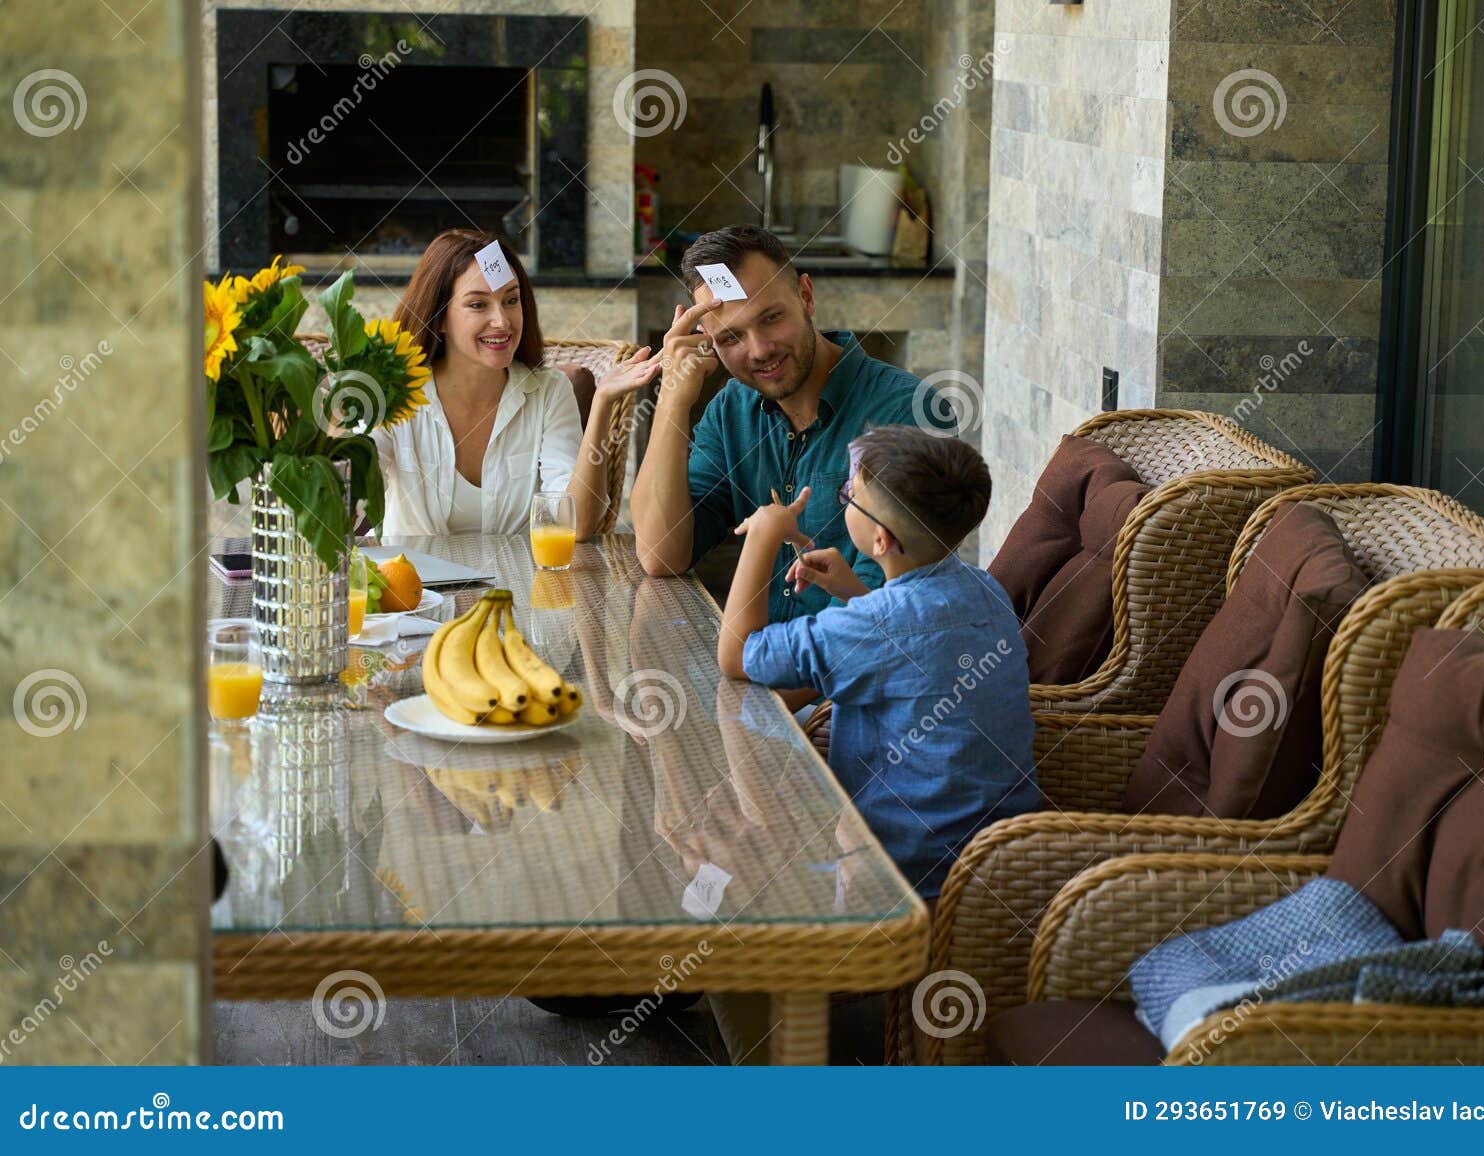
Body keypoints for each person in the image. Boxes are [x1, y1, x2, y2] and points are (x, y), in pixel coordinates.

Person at [716, 424, 1039, 902]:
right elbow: (911, 647)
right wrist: (855, 591)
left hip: (899, 876)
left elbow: (738, 654)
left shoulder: (875, 626)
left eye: (850, 495)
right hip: (994, 857)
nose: (844, 498)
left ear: (881, 540)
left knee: (731, 858)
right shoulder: (983, 587)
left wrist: (764, 534)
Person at [623, 225, 952, 615]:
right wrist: (672, 398)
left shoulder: (908, 413)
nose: (759, 350)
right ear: (707, 341)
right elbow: (662, 554)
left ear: (806, 295)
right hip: (763, 649)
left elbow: (884, 610)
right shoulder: (730, 410)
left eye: (771, 318)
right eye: (731, 338)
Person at [373, 229, 661, 538]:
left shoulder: (549, 392)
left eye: (511, 300)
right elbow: (351, 504)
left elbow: (576, 524)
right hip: (410, 571)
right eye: (478, 305)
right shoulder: (394, 391)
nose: (502, 321)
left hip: (522, 571)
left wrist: (602, 402)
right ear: (439, 316)